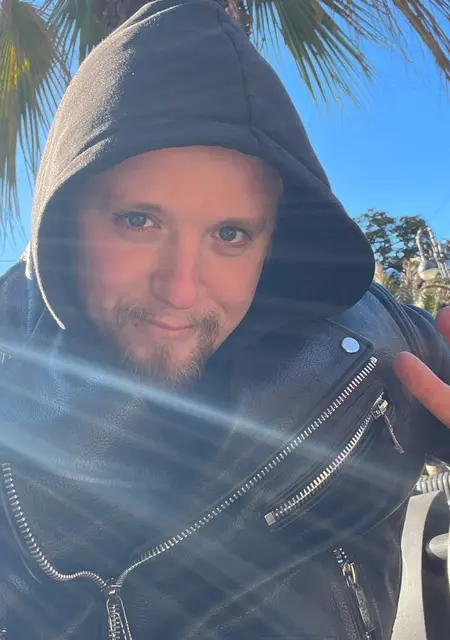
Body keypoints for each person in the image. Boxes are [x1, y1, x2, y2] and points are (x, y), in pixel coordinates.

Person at [0, 0, 449, 638]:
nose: (181, 289)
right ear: (64, 216)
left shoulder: (377, 346)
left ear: (273, 243)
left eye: (230, 234)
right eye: (138, 221)